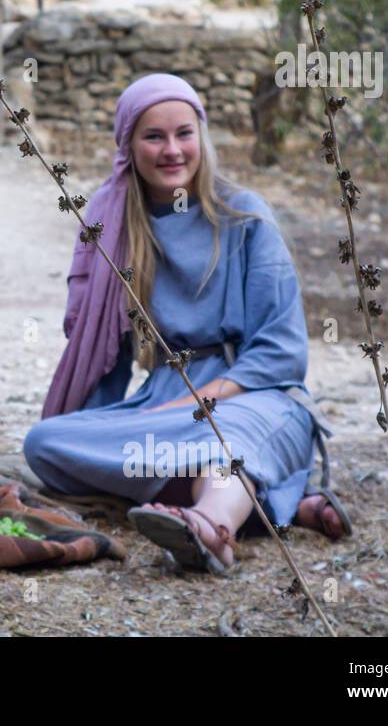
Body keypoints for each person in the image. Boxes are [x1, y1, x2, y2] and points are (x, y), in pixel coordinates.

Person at [23, 73, 350, 574]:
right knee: (45, 444)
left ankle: (208, 529)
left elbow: (283, 353)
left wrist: (196, 403)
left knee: (225, 440)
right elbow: (106, 355)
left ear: (202, 136)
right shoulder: (113, 226)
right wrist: (103, 426)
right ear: (128, 145)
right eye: (154, 136)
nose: (171, 150)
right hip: (163, 404)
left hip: (256, 399)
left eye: (184, 133)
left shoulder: (246, 216)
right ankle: (274, 505)